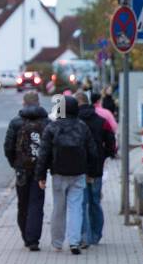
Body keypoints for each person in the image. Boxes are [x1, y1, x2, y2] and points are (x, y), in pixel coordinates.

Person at [36, 94, 99, 255]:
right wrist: (92, 172)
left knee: (58, 208)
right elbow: (92, 151)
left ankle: (57, 243)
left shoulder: (52, 127)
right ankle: (74, 242)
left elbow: (43, 153)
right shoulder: (82, 127)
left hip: (58, 173)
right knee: (76, 208)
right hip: (78, 173)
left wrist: (41, 176)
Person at [4, 90, 48, 250]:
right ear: (38, 103)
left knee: (23, 204)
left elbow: (8, 146)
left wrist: (14, 163)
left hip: (21, 169)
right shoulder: (46, 122)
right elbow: (50, 146)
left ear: (24, 103)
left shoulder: (16, 122)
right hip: (39, 170)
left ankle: (26, 237)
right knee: (36, 204)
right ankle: (33, 239)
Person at [77, 91, 117, 247]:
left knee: (81, 202)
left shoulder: (74, 121)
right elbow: (111, 142)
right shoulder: (102, 120)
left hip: (79, 167)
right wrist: (105, 155)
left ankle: (84, 235)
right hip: (96, 166)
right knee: (95, 201)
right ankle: (96, 235)